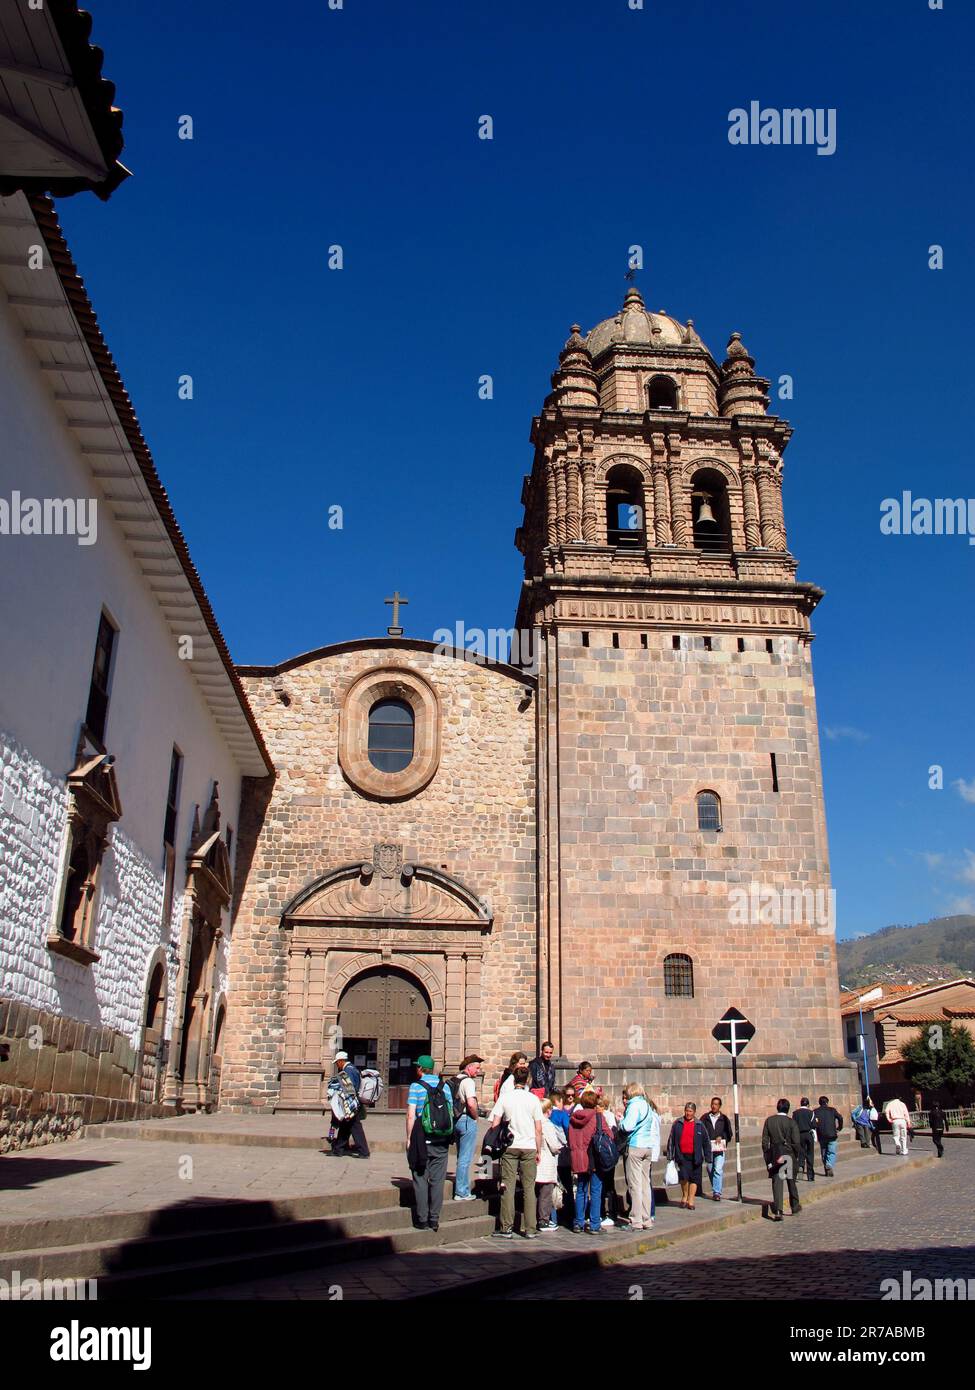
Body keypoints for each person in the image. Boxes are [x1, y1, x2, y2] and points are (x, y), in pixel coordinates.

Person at [489, 1063, 543, 1239]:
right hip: (529, 1146)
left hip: (510, 1146)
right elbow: (538, 1128)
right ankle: (530, 1229)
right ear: (527, 1080)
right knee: (529, 1188)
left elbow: (495, 1124)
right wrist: (539, 1150)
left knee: (508, 1187)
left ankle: (506, 1228)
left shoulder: (505, 1098)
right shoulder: (533, 1099)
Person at [406, 1055, 453, 1232]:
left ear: (420, 1069)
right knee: (438, 1180)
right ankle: (434, 1219)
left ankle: (422, 1219)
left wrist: (409, 1138)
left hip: (421, 1137)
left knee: (420, 1177)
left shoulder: (416, 1086)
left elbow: (411, 1115)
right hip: (441, 1137)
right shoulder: (446, 1086)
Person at [619, 1082, 659, 1230]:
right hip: (648, 1147)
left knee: (635, 1185)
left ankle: (636, 1220)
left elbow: (627, 1126)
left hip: (636, 1146)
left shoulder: (634, 1105)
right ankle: (646, 1219)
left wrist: (620, 1121)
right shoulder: (647, 1105)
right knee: (645, 1184)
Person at [762, 1098, 802, 1221]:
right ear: (788, 1109)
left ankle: (778, 1210)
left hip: (775, 1155)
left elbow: (765, 1142)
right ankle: (794, 1206)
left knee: (777, 1182)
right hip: (788, 1154)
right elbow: (796, 1142)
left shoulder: (769, 1121)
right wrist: (795, 1155)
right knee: (791, 1181)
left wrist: (768, 1158)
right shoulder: (791, 1123)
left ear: (777, 1108)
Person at [568, 1088, 602, 1233]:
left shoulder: (573, 1117)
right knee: (595, 1191)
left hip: (578, 1157)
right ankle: (594, 1224)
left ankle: (579, 1222)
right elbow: (607, 1134)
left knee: (581, 1190)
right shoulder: (597, 1117)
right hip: (593, 1158)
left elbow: (569, 1138)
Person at [667, 1101, 711, 1211]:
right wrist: (670, 1154)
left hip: (696, 1156)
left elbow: (706, 1142)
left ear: (694, 1112)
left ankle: (691, 1200)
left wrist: (708, 1156)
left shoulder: (700, 1125)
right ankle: (685, 1195)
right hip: (682, 1156)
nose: (688, 1113)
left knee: (694, 1179)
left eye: (690, 1111)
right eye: (687, 1111)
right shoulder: (678, 1123)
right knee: (684, 1178)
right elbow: (671, 1139)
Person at [451, 1053, 484, 1201]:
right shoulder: (468, 1082)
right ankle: (462, 1192)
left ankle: (460, 1187)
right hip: (466, 1119)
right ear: (469, 1067)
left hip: (456, 1120)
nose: (478, 1071)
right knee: (465, 1157)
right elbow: (471, 1103)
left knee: (461, 1156)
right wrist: (476, 1117)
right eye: (477, 1068)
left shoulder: (454, 1079)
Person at [327, 1050, 370, 1158]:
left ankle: (364, 1152)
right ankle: (339, 1149)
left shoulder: (348, 1071)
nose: (337, 1065)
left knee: (354, 1127)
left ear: (341, 1061)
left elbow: (348, 1089)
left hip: (350, 1103)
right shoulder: (352, 1069)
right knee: (346, 1126)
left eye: (337, 1062)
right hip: (352, 1103)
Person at [536, 1097, 567, 1232]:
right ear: (548, 1111)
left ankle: (537, 1219)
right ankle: (544, 1220)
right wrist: (560, 1147)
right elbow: (554, 1145)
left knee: (537, 1192)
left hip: (536, 1162)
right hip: (547, 1162)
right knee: (546, 1193)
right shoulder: (547, 1124)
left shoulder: (534, 1122)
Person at [701, 1096, 734, 1201]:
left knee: (718, 1169)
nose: (714, 1106)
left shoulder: (724, 1119)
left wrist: (722, 1137)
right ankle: (716, 1186)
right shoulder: (705, 1118)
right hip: (708, 1148)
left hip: (719, 1148)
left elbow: (729, 1133)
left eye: (716, 1104)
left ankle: (717, 1193)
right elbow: (700, 1130)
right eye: (712, 1104)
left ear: (720, 1106)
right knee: (710, 1168)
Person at [596, 1094, 619, 1227]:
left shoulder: (608, 1116)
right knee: (601, 1185)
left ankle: (612, 1213)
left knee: (609, 1185)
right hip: (601, 1154)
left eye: (599, 1105)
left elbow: (611, 1134)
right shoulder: (598, 1115)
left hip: (608, 1154)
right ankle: (601, 1213)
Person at [812, 1095, 843, 1175]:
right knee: (831, 1152)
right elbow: (840, 1117)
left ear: (819, 1103)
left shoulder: (815, 1111)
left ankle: (826, 1168)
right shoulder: (832, 1110)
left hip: (821, 1134)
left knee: (824, 1151)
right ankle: (829, 1165)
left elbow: (813, 1122)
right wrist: (839, 1127)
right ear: (827, 1102)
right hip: (832, 1134)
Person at [793, 1097, 818, 1181]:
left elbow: (793, 1125)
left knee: (801, 1153)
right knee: (810, 1154)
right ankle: (810, 1176)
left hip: (799, 1135)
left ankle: (800, 1165)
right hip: (808, 1134)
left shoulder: (795, 1113)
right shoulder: (811, 1113)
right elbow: (814, 1125)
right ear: (808, 1104)